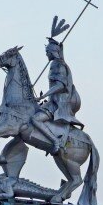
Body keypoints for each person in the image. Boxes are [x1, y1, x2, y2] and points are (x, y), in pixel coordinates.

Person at [31, 19, 83, 155]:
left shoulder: (57, 64)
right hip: (52, 101)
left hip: (56, 104)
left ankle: (55, 141)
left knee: (35, 119)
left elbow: (60, 86)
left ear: (53, 51)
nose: (46, 54)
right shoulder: (57, 63)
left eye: (47, 51)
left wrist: (44, 95)